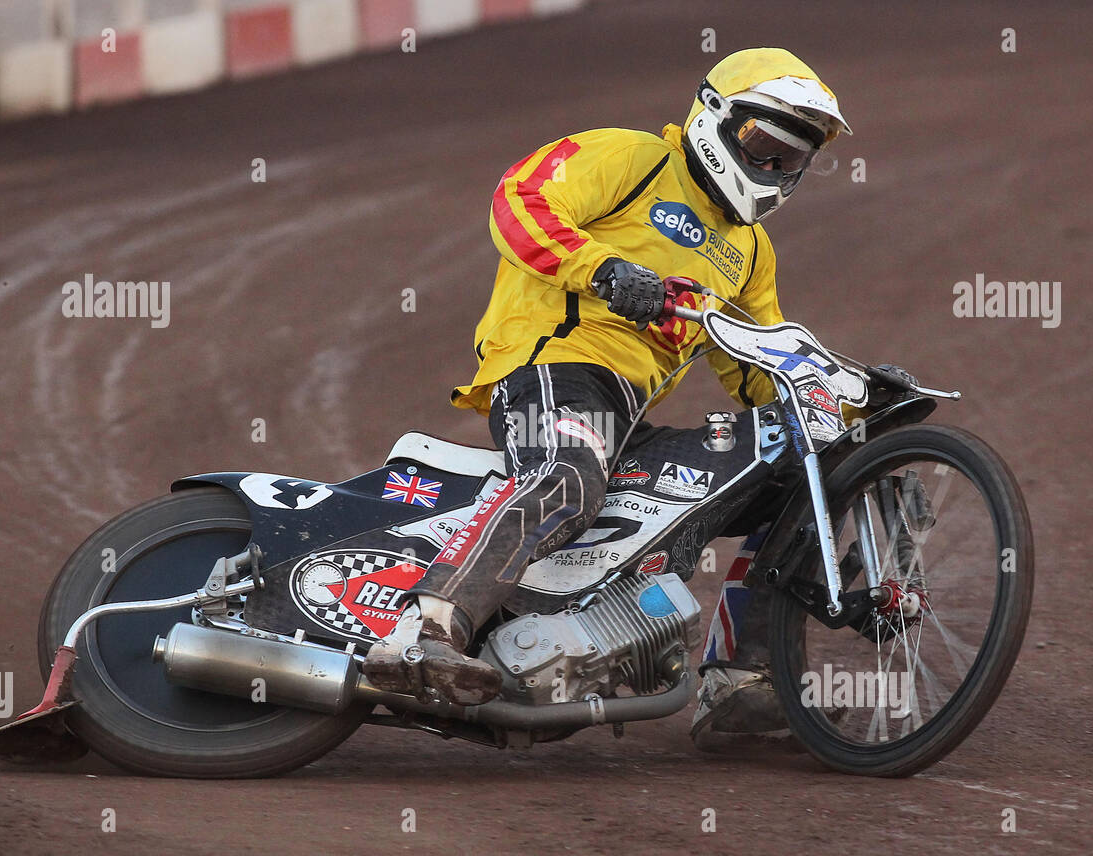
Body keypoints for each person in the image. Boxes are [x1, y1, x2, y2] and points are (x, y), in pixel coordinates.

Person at [364, 48, 902, 749]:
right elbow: (518, 202)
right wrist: (607, 271)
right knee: (567, 476)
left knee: (795, 469)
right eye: (762, 147)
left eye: (788, 160)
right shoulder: (638, 159)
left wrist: (854, 397)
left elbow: (758, 370)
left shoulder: (750, 251)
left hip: (628, 413)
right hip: (554, 366)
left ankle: (743, 678)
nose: (770, 169)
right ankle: (425, 631)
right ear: (717, 120)